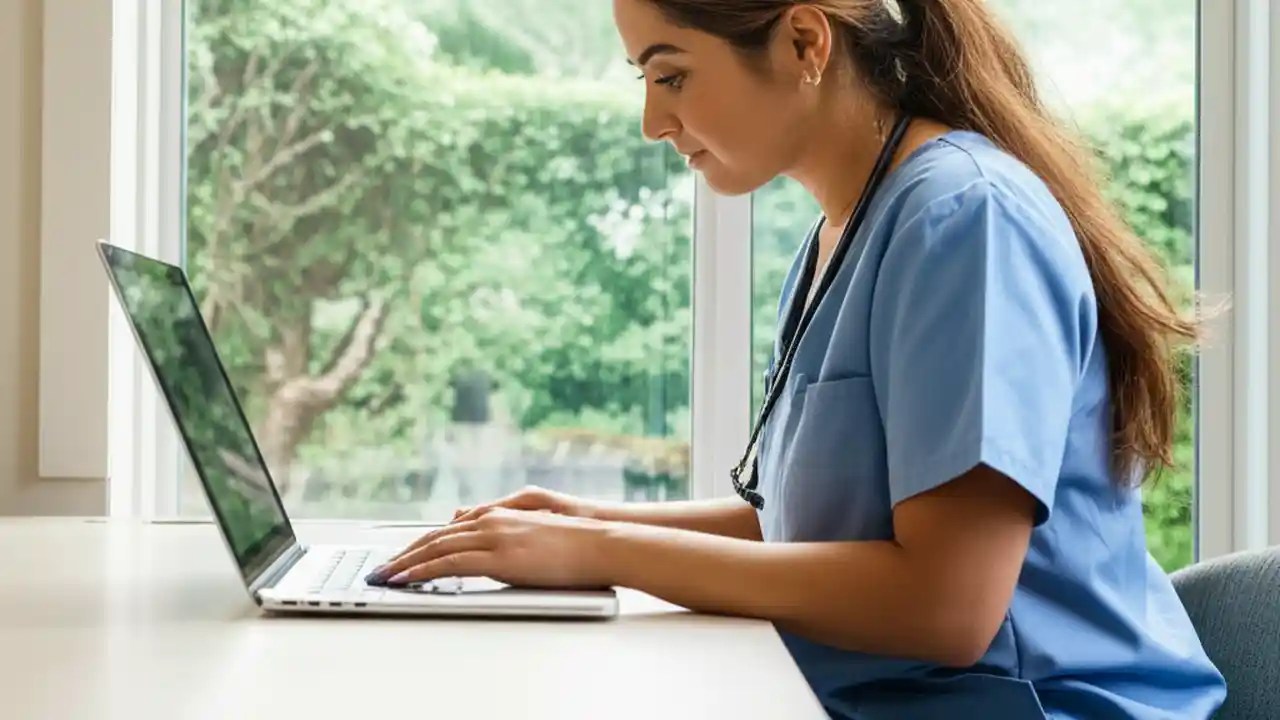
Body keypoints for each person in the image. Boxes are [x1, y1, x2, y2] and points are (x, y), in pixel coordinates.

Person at [367, 1, 1227, 717]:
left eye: (672, 76)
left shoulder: (964, 219)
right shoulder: (843, 231)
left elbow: (946, 607)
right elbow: (812, 531)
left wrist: (602, 555)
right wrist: (579, 524)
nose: (651, 123)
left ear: (806, 42)